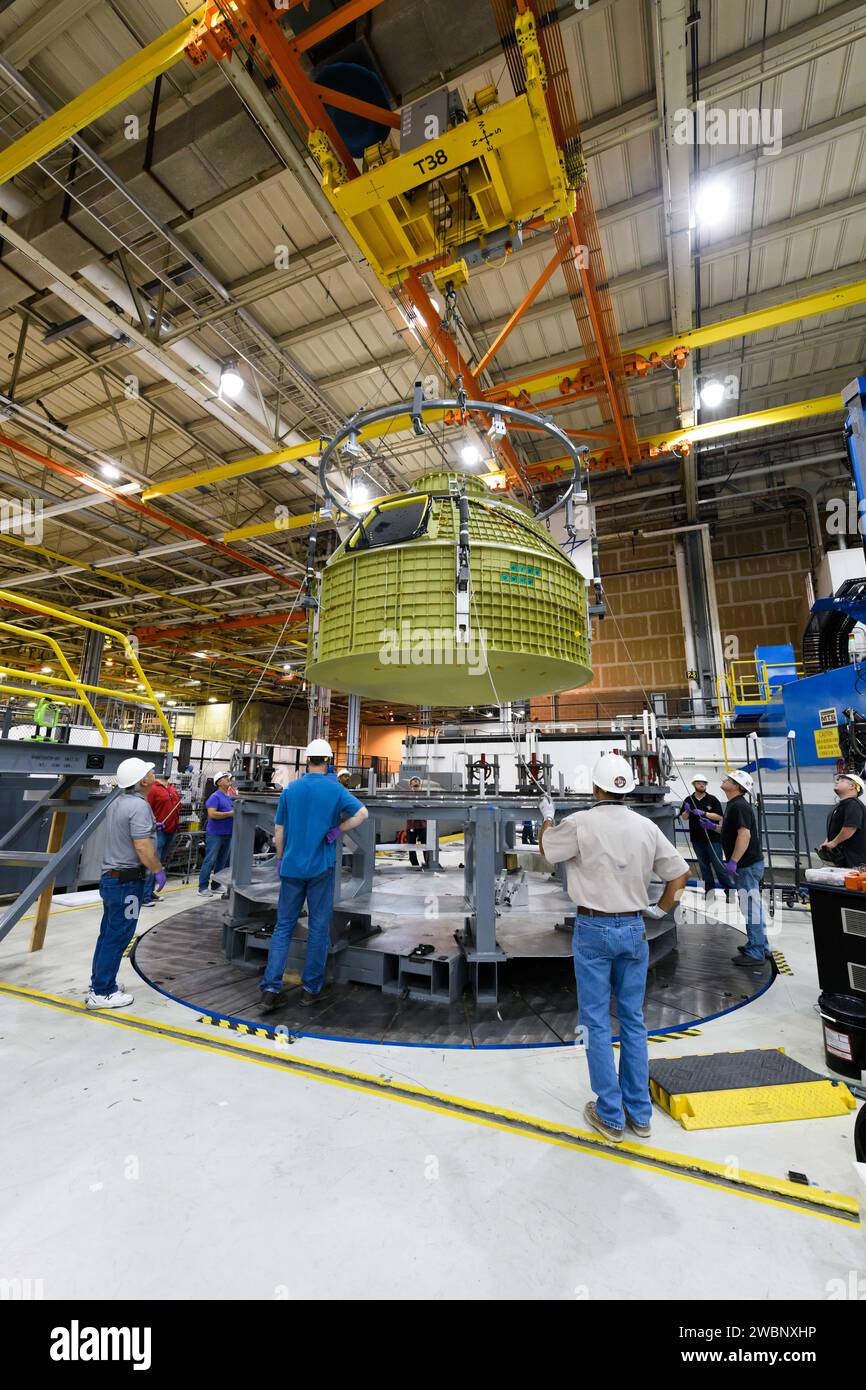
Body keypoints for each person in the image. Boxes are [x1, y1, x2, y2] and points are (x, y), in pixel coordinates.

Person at [538, 752, 689, 1144]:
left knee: (596, 1022)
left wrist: (547, 817)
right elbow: (680, 874)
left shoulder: (580, 823)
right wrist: (659, 909)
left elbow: (548, 850)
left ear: (596, 787)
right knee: (634, 1021)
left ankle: (609, 1114)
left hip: (594, 928)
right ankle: (639, 1114)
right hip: (634, 928)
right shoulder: (645, 827)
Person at [260, 738, 368, 1010]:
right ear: (328, 761)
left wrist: (282, 858)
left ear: (307, 760)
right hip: (321, 867)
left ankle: (271, 989)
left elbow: (279, 831)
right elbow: (362, 814)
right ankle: (311, 990)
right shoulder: (335, 790)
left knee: (283, 927)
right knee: (319, 927)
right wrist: (337, 830)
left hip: (292, 867)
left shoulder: (291, 789)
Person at [86, 757, 163, 1010]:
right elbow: (142, 846)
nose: (153, 772)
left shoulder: (118, 802)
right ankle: (103, 991)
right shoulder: (138, 807)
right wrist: (158, 870)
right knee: (120, 935)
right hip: (127, 884)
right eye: (148, 771)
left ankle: (99, 983)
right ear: (142, 781)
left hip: (113, 880)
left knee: (108, 934)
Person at [704, 769, 770, 965]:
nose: (725, 780)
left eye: (729, 779)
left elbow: (744, 835)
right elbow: (731, 831)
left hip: (746, 865)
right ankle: (761, 945)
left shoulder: (739, 805)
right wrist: (713, 827)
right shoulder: (734, 805)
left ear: (738, 787)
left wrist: (733, 861)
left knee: (750, 908)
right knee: (752, 906)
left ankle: (756, 952)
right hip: (747, 864)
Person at [679, 776, 726, 898]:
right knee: (704, 867)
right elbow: (684, 817)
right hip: (697, 839)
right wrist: (687, 811)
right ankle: (709, 892)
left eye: (704, 783)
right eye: (700, 783)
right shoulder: (688, 800)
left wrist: (705, 813)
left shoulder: (712, 799)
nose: (702, 784)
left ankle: (729, 892)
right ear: (694, 784)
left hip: (713, 839)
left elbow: (720, 817)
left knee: (719, 866)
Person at [141, 773, 182, 905]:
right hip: (158, 832)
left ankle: (150, 892)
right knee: (153, 863)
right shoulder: (153, 789)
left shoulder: (172, 788)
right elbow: (146, 809)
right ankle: (144, 896)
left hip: (171, 831)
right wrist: (151, 825)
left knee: (159, 863)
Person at [197, 772, 234, 897]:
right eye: (224, 777)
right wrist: (230, 814)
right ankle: (202, 887)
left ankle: (216, 885)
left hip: (227, 833)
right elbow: (212, 814)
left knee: (222, 861)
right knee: (210, 860)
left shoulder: (229, 796)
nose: (228, 779)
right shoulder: (215, 797)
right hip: (215, 834)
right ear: (218, 782)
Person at [819, 772, 866, 867]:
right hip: (841, 858)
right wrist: (827, 841)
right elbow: (835, 828)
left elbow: (850, 828)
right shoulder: (840, 806)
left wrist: (833, 843)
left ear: (852, 786)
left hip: (853, 861)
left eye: (842, 781)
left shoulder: (853, 804)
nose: (837, 782)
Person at [406, 775, 429, 869]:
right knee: (411, 846)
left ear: (420, 784)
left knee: (426, 845)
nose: (415, 782)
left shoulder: (424, 795)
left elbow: (428, 806)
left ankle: (428, 862)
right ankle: (414, 864)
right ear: (410, 784)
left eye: (417, 780)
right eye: (413, 780)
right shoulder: (406, 796)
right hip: (411, 824)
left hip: (422, 824)